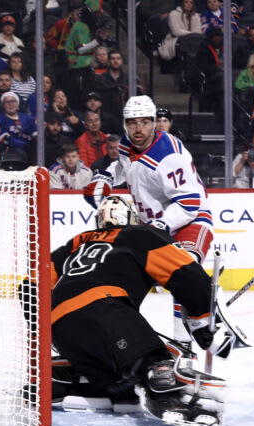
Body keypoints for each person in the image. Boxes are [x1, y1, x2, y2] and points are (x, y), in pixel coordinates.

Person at [48, 195, 225, 426]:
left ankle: (76, 377)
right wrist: (203, 318)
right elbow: (185, 272)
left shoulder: (75, 242)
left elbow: (31, 284)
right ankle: (168, 399)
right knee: (156, 360)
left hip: (56, 321)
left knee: (122, 382)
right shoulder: (140, 235)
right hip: (105, 307)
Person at [84, 95, 212, 346]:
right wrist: (106, 178)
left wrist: (162, 226)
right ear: (125, 124)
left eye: (144, 122)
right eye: (132, 123)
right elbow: (123, 165)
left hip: (190, 220)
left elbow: (188, 204)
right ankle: (120, 342)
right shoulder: (126, 144)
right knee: (121, 275)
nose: (138, 128)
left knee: (182, 270)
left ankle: (183, 344)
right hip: (152, 225)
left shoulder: (169, 156)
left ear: (154, 122)